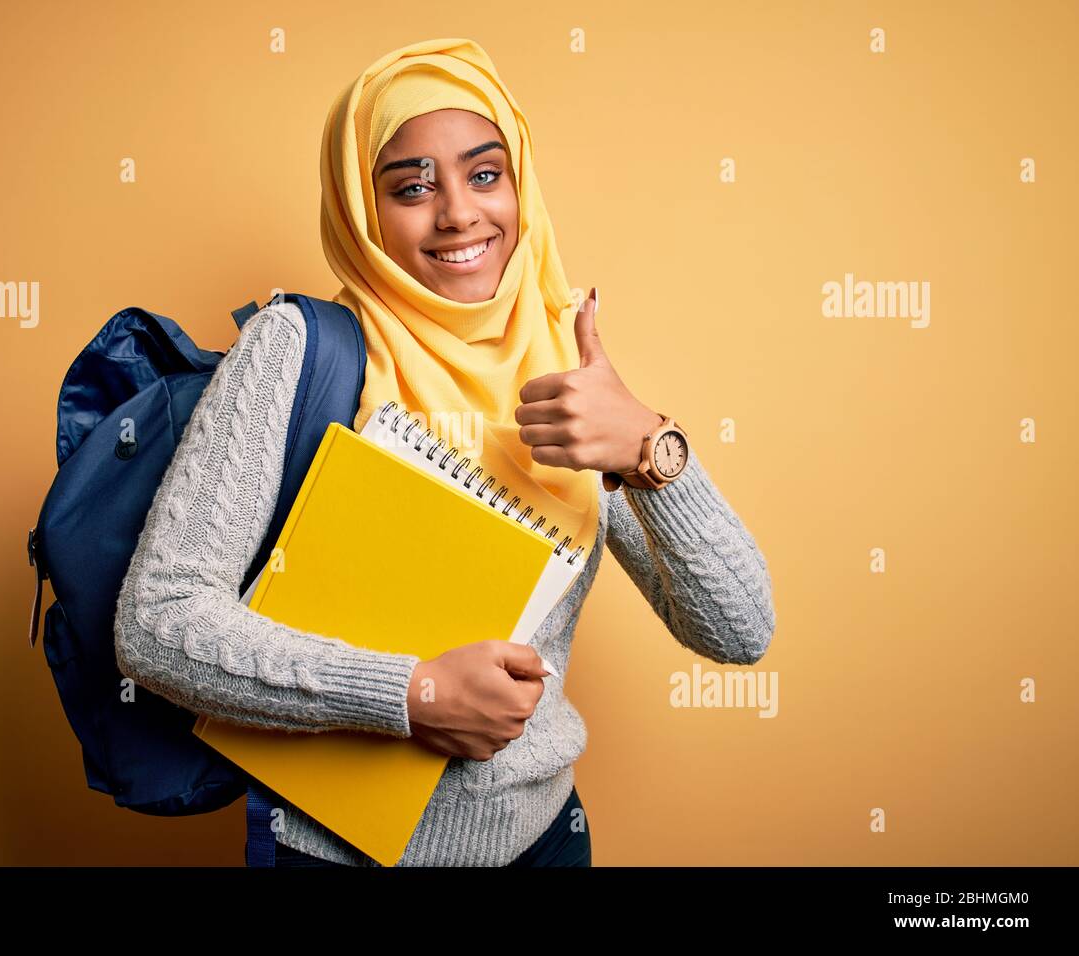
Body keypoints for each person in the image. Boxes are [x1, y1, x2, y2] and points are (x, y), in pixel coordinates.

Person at [113, 37, 776, 868]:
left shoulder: (566, 366)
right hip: (336, 854)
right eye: (412, 187)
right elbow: (158, 623)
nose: (459, 213)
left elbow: (740, 632)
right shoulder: (298, 348)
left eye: (485, 174)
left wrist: (649, 448)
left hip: (546, 845)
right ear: (361, 209)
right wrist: (413, 695)